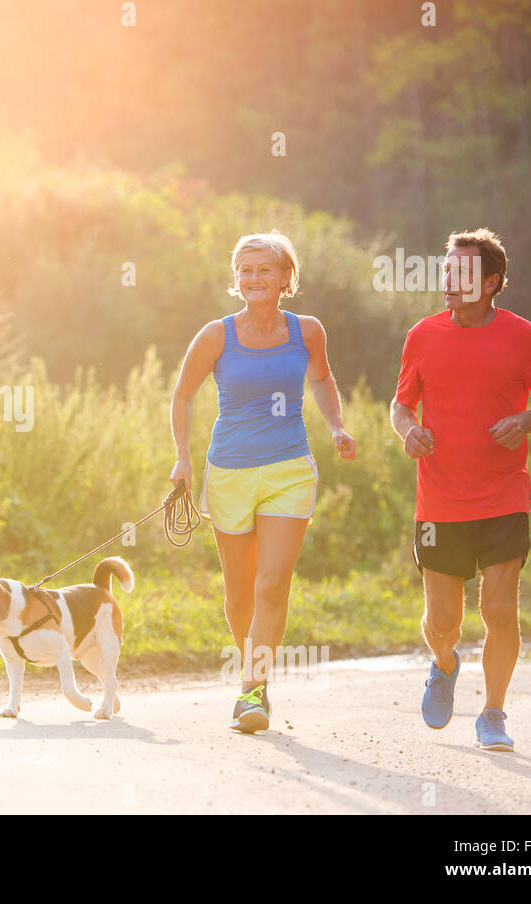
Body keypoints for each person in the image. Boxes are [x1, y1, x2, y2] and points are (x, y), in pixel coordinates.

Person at [390, 227, 531, 752]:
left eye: (463, 272)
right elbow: (401, 404)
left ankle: (493, 712)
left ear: (491, 282)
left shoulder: (523, 336)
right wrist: (408, 431)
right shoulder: (422, 335)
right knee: (442, 620)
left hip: (502, 495)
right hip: (440, 498)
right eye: (446, 269)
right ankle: (444, 664)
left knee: (498, 610)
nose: (449, 279)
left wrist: (526, 421)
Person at [171, 231, 356, 733]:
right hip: (229, 471)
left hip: (288, 469)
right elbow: (183, 395)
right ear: (237, 279)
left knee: (272, 583)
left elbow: (321, 378)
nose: (253, 278)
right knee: (239, 596)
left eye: (264, 270)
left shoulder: (308, 331)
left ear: (285, 279)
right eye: (246, 270)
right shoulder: (217, 335)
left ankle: (253, 690)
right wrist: (183, 460)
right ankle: (254, 677)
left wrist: (336, 425)